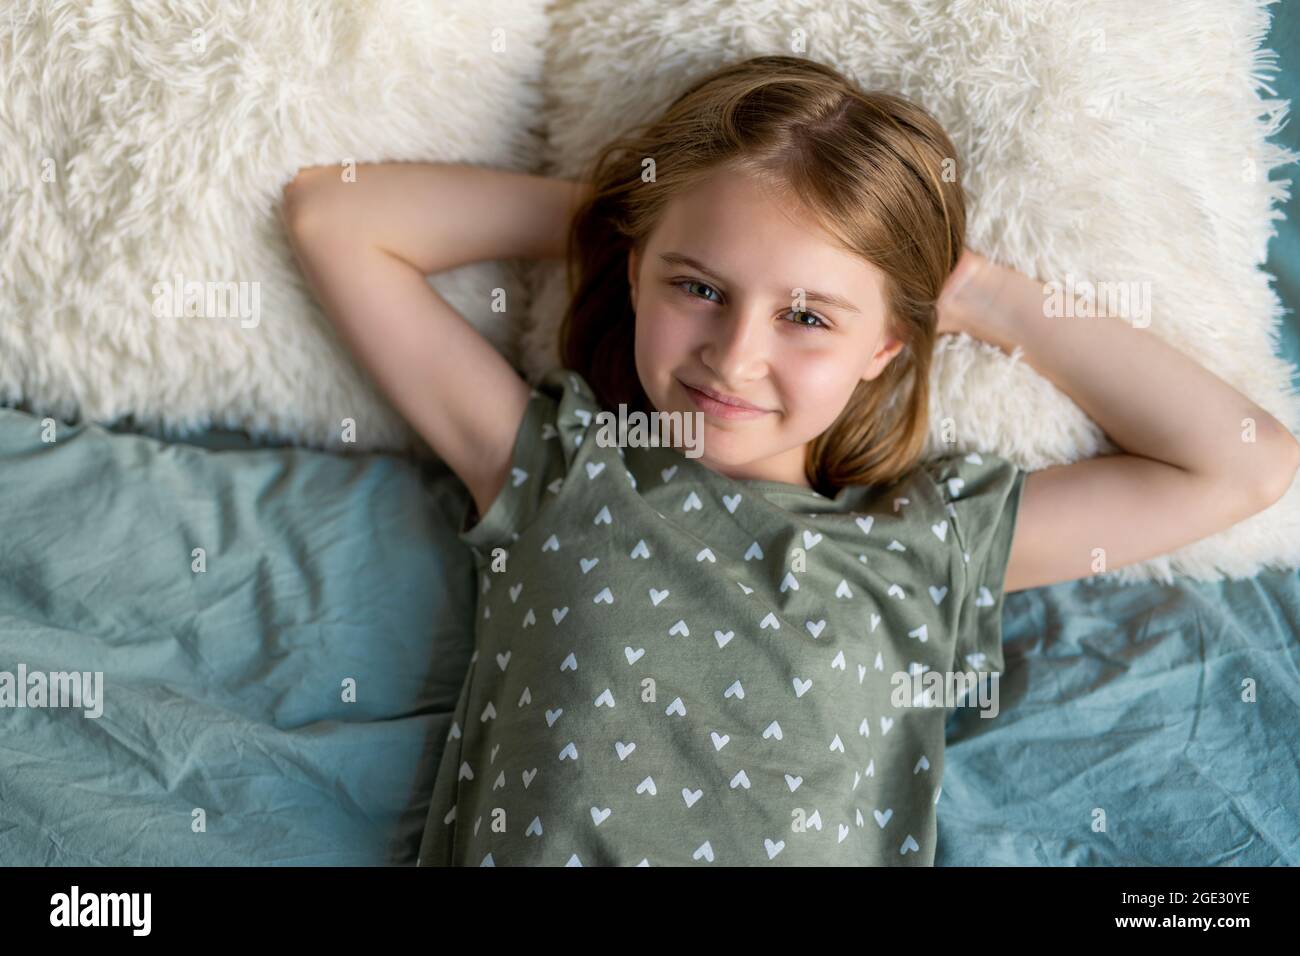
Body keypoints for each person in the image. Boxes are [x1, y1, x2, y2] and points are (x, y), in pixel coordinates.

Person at [280, 55, 1300, 866]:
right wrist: (631, 214)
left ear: (886, 346)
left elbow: (1245, 462)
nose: (735, 356)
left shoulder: (921, 546)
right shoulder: (558, 467)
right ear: (636, 277)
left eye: (807, 314)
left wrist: (982, 294)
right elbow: (337, 216)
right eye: (699, 287)